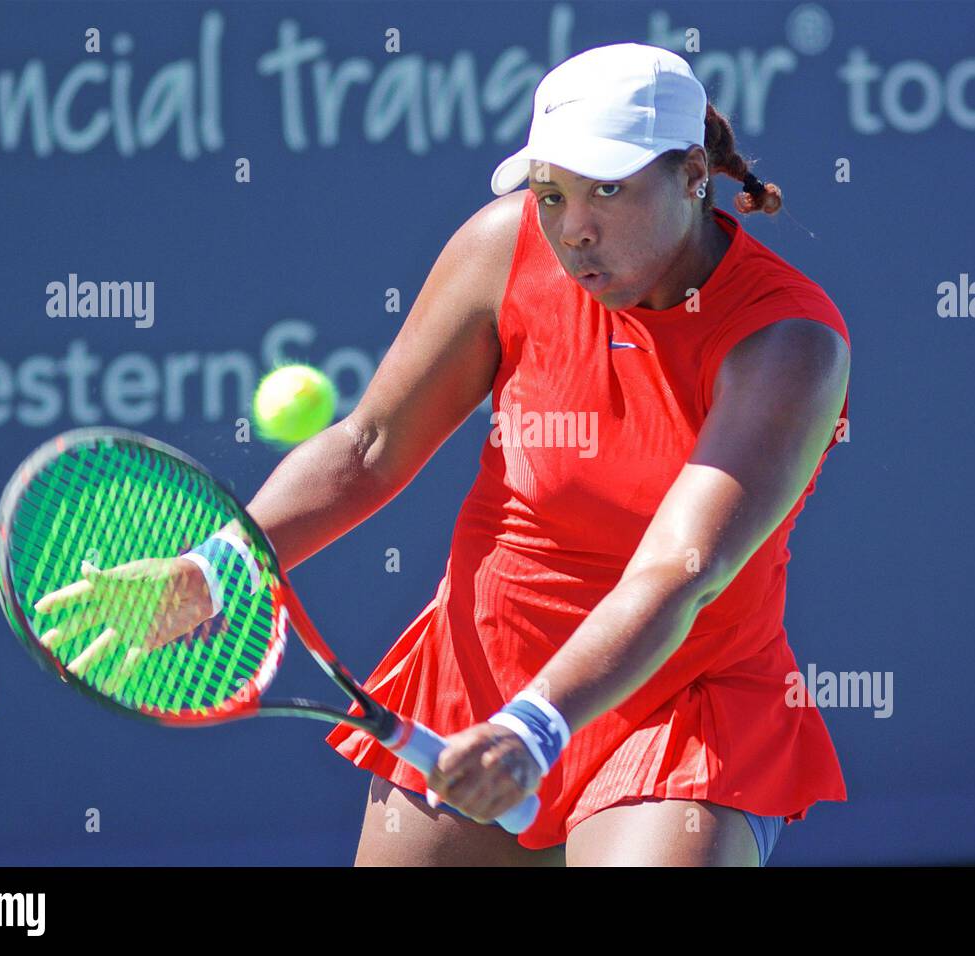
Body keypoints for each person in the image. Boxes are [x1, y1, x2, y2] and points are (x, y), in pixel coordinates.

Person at [48, 42, 851, 866]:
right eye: (551, 193)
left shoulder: (786, 342)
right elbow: (368, 449)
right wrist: (213, 568)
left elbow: (676, 572)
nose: (574, 228)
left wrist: (534, 726)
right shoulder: (503, 250)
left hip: (681, 698)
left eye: (608, 189)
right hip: (481, 672)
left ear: (691, 174)